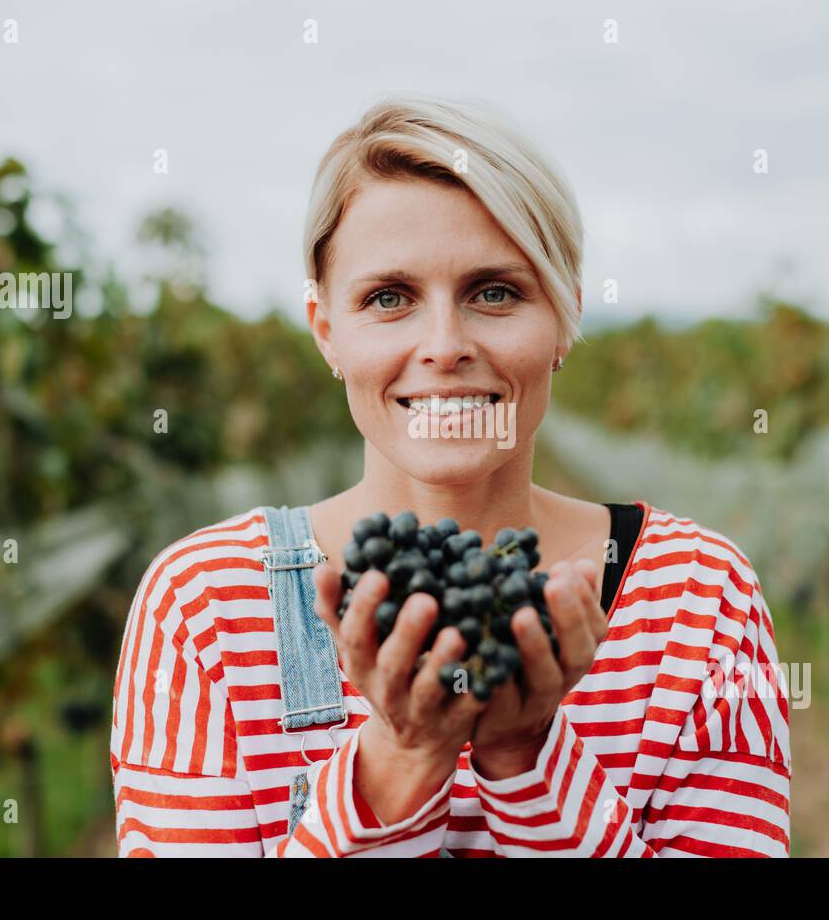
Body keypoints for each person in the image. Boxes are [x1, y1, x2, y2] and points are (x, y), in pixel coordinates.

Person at [110, 94, 791, 856]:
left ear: (566, 314)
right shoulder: (203, 609)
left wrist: (530, 758)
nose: (444, 344)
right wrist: (398, 761)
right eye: (389, 298)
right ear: (327, 332)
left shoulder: (699, 601)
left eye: (493, 292)